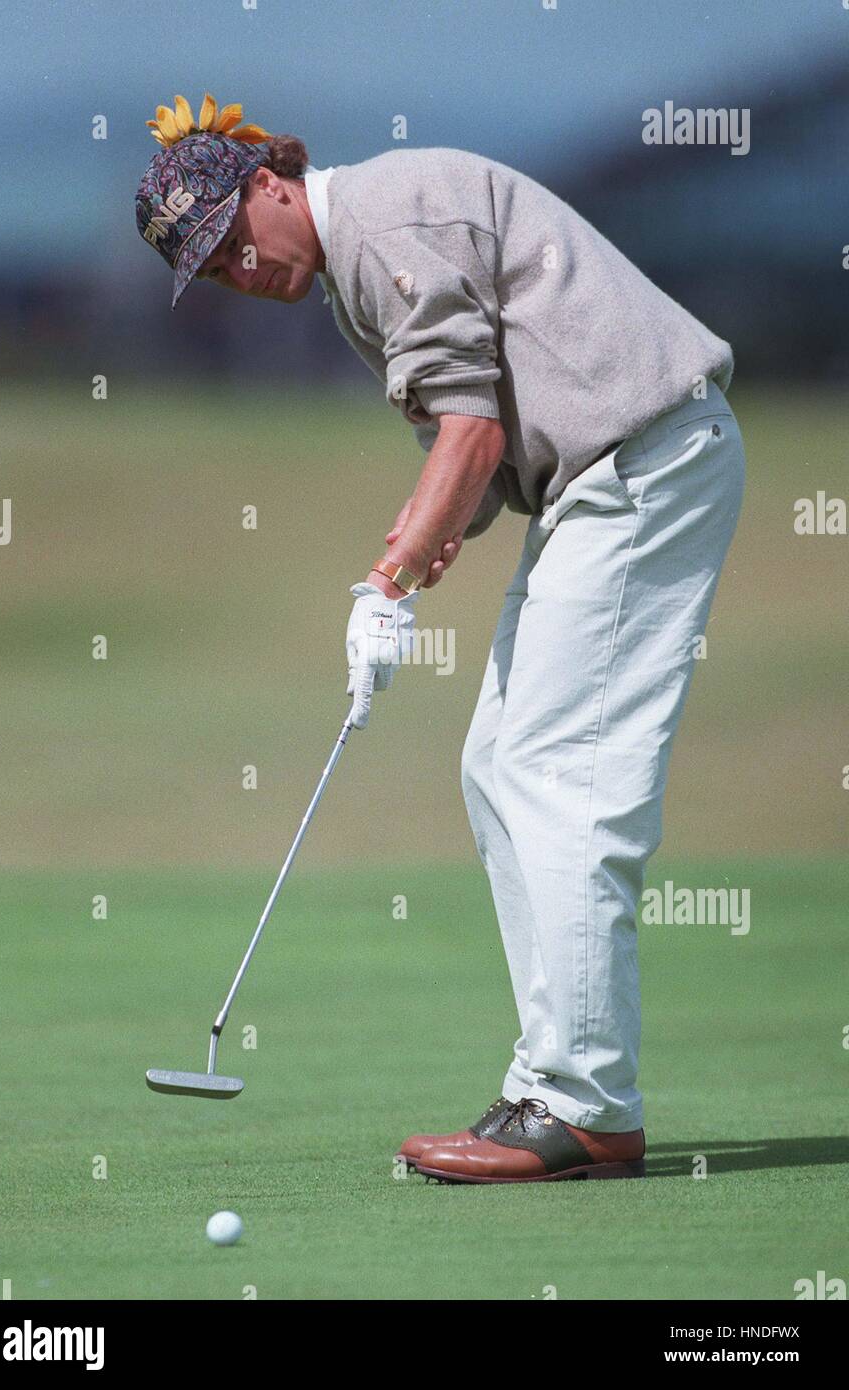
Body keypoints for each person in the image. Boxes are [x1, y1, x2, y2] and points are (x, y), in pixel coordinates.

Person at [136, 94, 745, 1184]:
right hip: (598, 486)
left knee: (560, 774)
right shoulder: (354, 267)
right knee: (495, 768)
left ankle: (585, 1105)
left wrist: (384, 578)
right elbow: (460, 461)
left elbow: (471, 433)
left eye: (232, 236)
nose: (238, 267)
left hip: (644, 464)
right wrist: (411, 568)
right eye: (212, 268)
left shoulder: (383, 223)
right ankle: (549, 1085)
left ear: (269, 184)